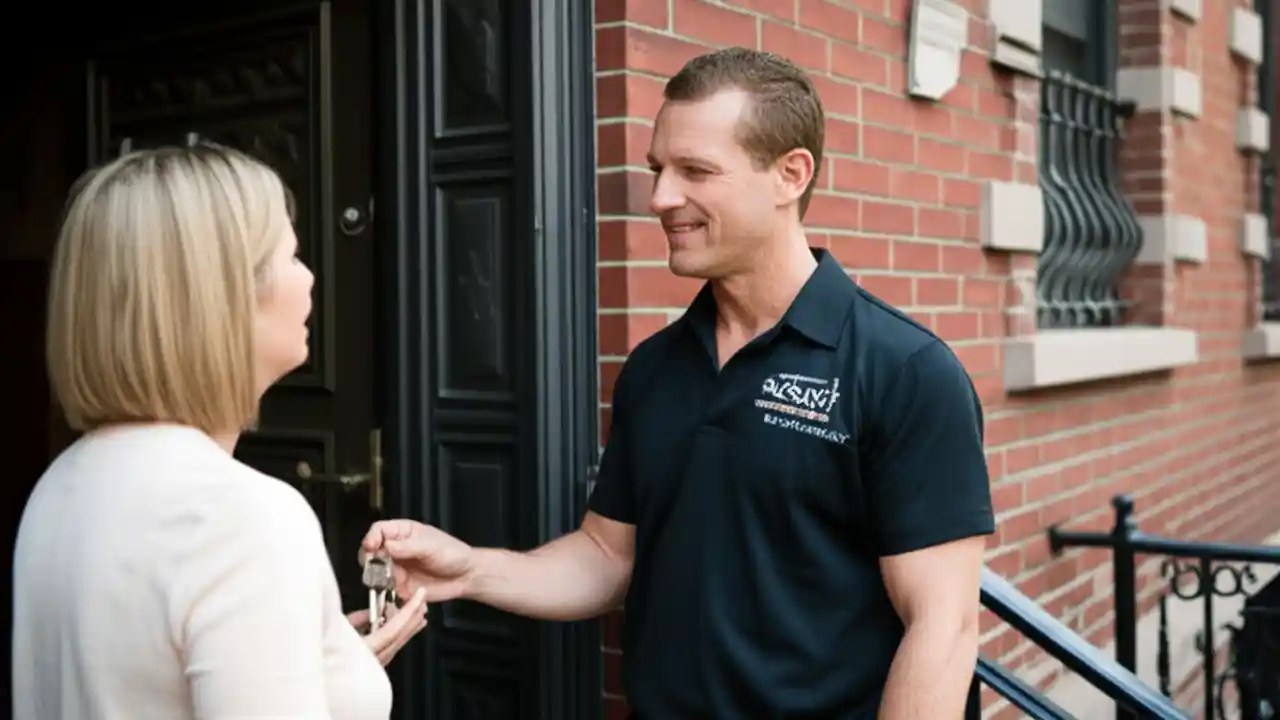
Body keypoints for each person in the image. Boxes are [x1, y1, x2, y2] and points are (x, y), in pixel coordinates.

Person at [362, 47, 994, 718]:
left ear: (790, 174)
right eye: (657, 169)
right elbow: (609, 556)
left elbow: (943, 627)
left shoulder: (904, 371)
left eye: (695, 171)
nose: (661, 198)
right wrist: (471, 569)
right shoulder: (656, 367)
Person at [12, 143, 428, 720]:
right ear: (224, 294)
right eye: (292, 254)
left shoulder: (62, 484)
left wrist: (323, 673)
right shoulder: (240, 517)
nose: (309, 278)